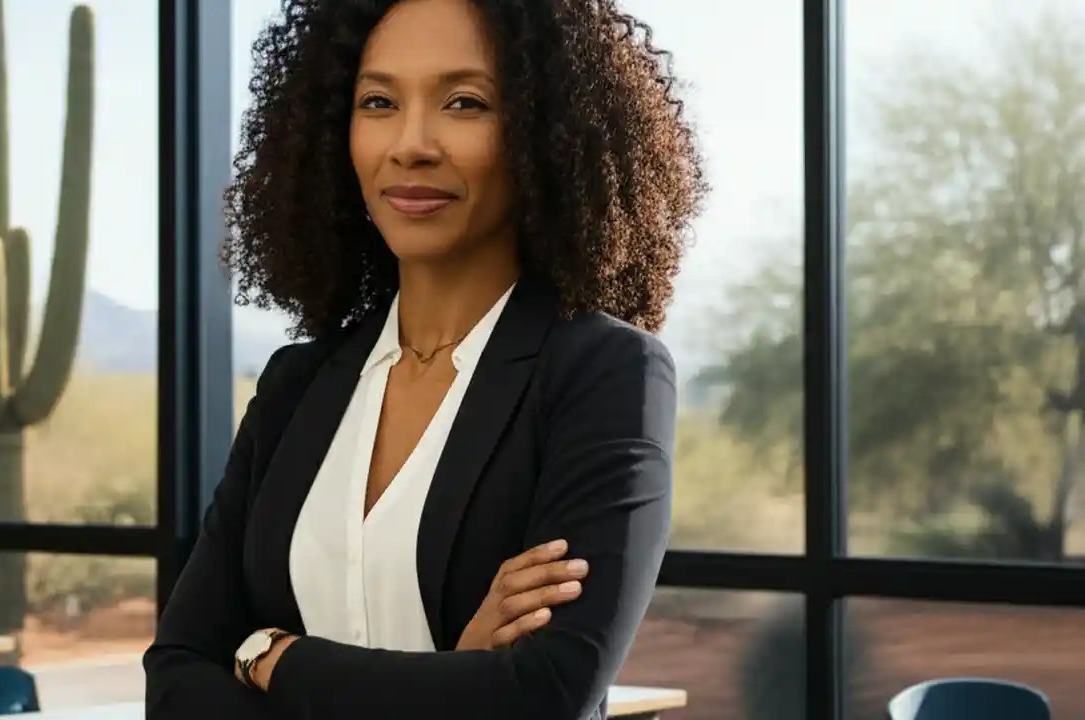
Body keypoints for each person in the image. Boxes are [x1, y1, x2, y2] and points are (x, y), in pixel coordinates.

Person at [143, 0, 706, 717]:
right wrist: (449, 676)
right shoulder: (297, 384)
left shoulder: (604, 374)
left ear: (544, 133)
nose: (410, 143)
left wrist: (270, 656)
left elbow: (542, 694)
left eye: (464, 103)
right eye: (378, 101)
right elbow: (178, 673)